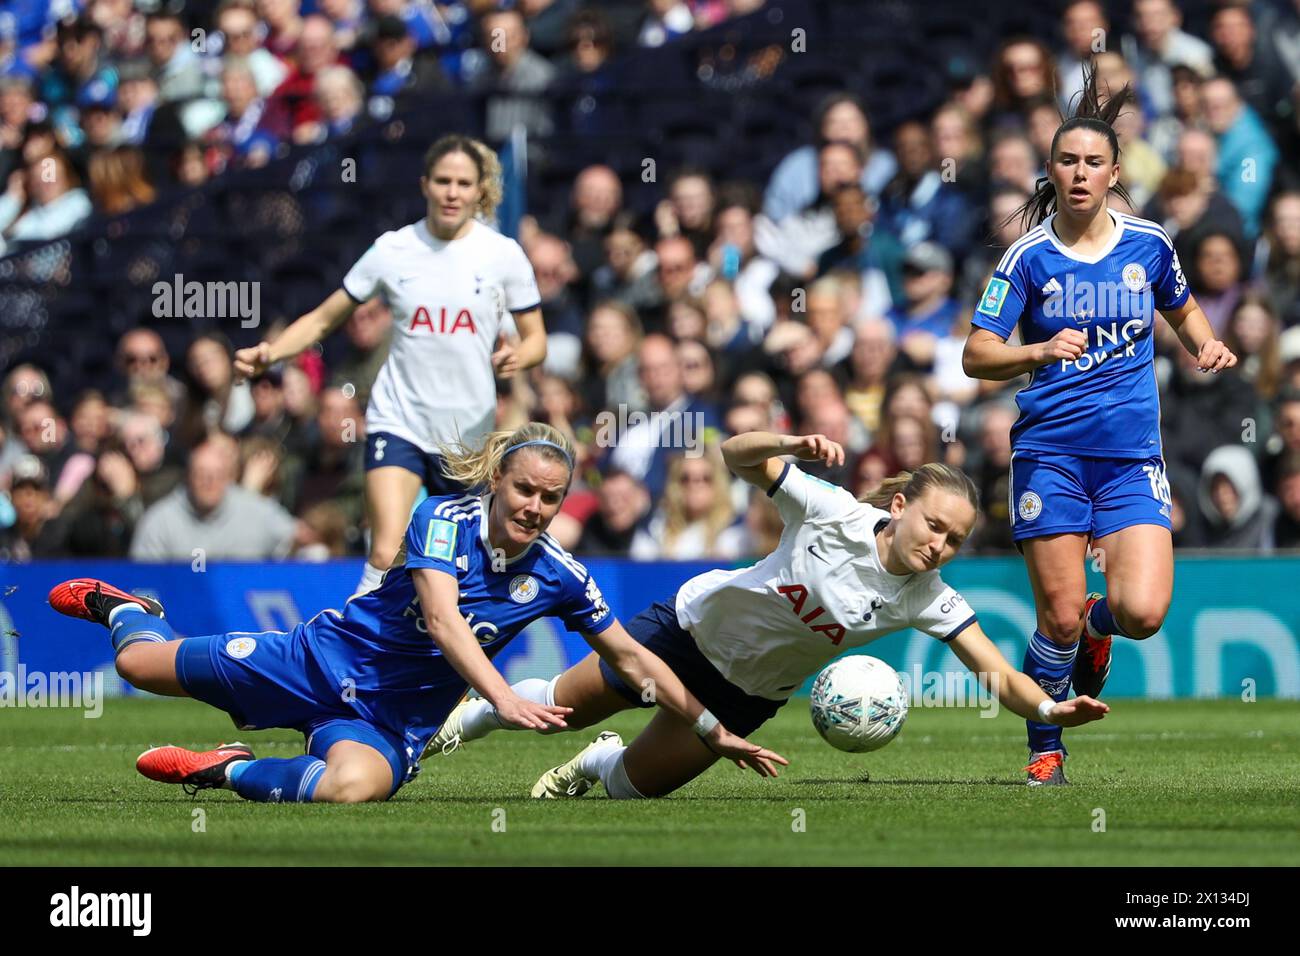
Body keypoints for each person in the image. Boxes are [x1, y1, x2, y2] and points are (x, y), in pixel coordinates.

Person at [47, 423, 784, 804]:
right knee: (137, 666)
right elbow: (441, 619)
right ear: (498, 480)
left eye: (550, 498)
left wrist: (714, 729)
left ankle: (227, 772)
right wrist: (500, 699)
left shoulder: (562, 575)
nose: (534, 506)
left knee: (352, 789)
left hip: (389, 723)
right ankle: (131, 608)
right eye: (524, 488)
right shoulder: (441, 518)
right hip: (315, 661)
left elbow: (633, 659)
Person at [424, 431, 1108, 799]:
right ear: (900, 509)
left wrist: (1046, 712)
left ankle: (604, 764)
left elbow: (994, 673)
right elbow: (732, 454)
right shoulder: (832, 509)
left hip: (747, 692)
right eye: (934, 526)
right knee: (561, 712)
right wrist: (793, 443)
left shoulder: (929, 598)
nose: (941, 545)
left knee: (633, 791)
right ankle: (459, 720)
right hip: (684, 632)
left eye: (955, 540)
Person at [961, 62, 1236, 784]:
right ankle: (1044, 746)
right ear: (1051, 170)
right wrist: (1037, 348)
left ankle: (1100, 627)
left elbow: (1179, 303)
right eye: (1067, 161)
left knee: (1141, 612)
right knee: (1053, 621)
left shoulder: (1149, 243)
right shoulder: (1027, 257)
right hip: (1050, 456)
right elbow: (974, 354)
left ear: (1115, 172)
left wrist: (1202, 341)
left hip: (1130, 458)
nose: (1080, 173)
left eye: (1093, 162)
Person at [233, 134, 548, 597]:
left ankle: (452, 657)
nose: (452, 192)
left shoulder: (502, 255)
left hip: (467, 433)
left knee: (460, 557)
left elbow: (536, 336)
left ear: (479, 190)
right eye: (443, 181)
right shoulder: (393, 249)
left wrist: (520, 355)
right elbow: (325, 317)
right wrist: (272, 352)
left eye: (463, 183)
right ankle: (355, 654)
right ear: (425, 184)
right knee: (386, 550)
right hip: (397, 419)